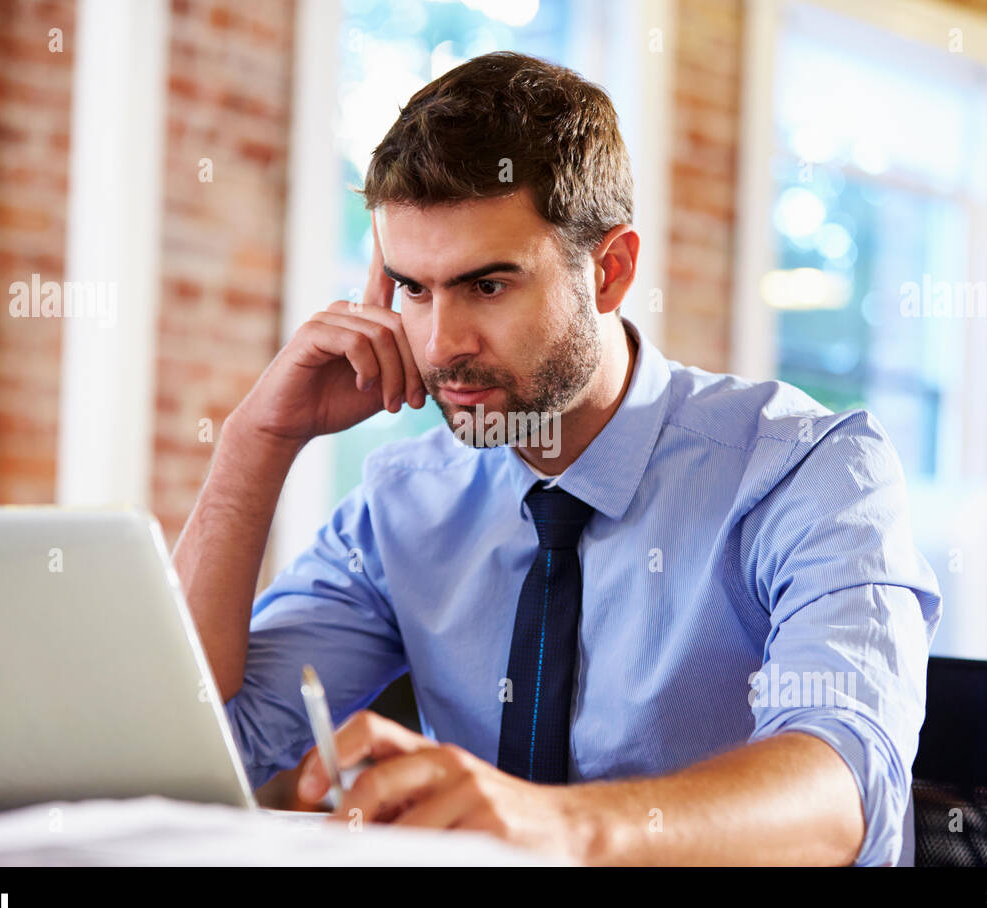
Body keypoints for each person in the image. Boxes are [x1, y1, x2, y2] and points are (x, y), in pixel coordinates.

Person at [172, 51, 941, 866]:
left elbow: (846, 790)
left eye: (488, 286)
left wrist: (558, 828)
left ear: (610, 271)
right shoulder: (405, 504)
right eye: (414, 289)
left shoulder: (808, 471)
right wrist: (256, 443)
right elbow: (205, 743)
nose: (441, 345)